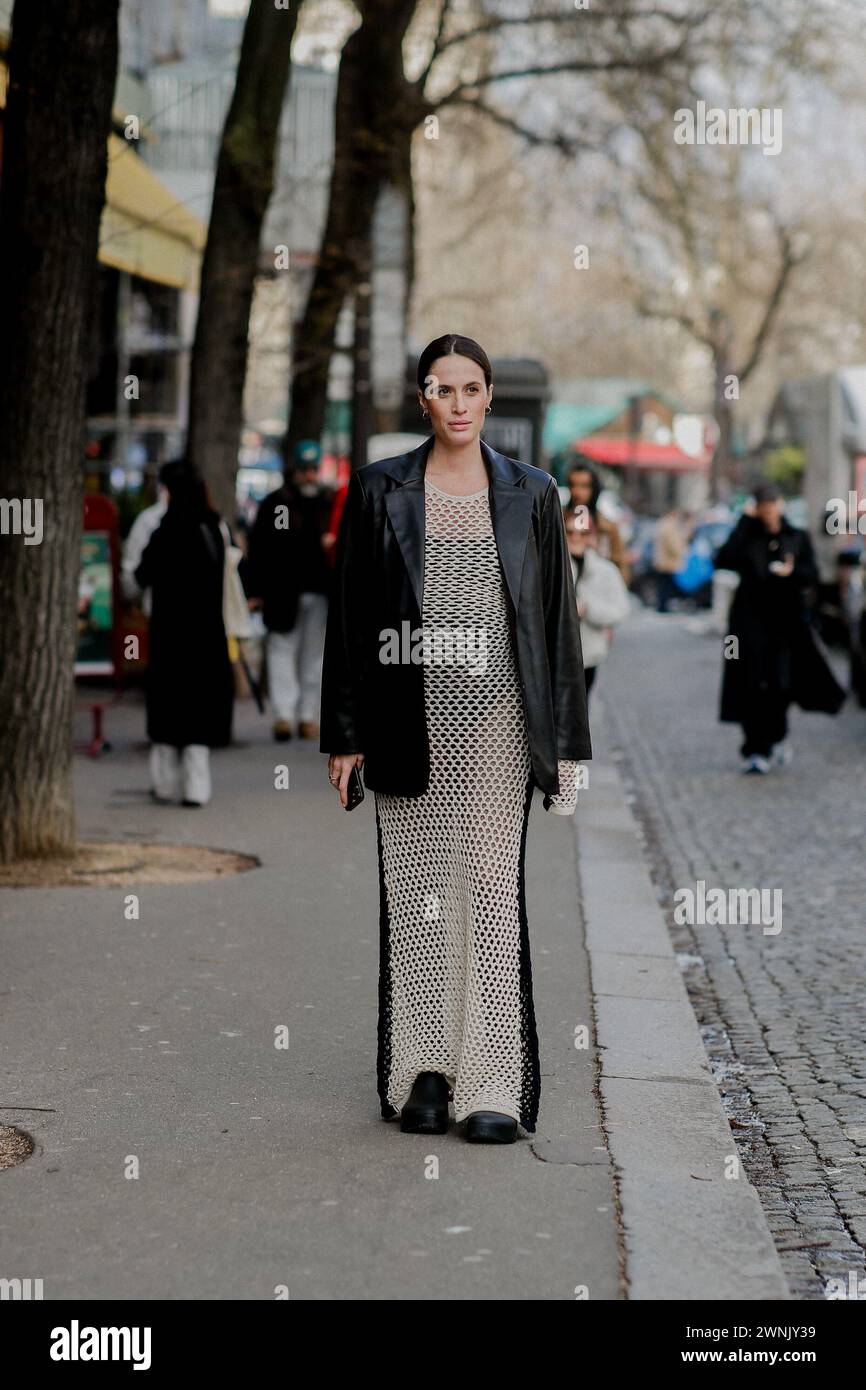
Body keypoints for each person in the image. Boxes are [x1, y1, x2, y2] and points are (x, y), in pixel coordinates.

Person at [320, 333, 591, 1145]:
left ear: (489, 396)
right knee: (419, 899)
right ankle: (425, 1073)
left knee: (488, 893)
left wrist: (567, 747)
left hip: (500, 727)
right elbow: (351, 618)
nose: (461, 404)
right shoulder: (379, 489)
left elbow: (556, 627)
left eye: (473, 389)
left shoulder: (533, 493)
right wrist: (345, 735)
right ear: (423, 397)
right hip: (406, 712)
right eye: (445, 390)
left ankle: (493, 1077)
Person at [714, 481, 846, 775]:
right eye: (763, 506)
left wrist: (792, 571)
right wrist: (743, 522)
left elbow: (811, 573)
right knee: (747, 679)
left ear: (780, 505)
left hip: (786, 623)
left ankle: (775, 738)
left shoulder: (796, 537)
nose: (769, 511)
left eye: (773, 504)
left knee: (780, 683)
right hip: (745, 626)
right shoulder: (747, 535)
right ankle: (754, 747)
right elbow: (723, 560)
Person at [134, 462, 234, 806]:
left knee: (166, 713)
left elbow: (141, 575)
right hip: (206, 635)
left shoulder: (165, 530)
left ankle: (163, 785)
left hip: (169, 635)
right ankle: (197, 788)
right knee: (198, 715)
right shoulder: (213, 527)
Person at [246, 440, 333, 742]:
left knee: (313, 656)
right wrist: (255, 590)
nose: (309, 475)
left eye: (313, 469)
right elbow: (259, 549)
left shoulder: (328, 501)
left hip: (320, 590)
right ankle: (284, 714)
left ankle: (307, 715)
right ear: (295, 470)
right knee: (283, 651)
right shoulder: (277, 503)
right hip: (284, 591)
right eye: (305, 469)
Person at [565, 517, 631, 701]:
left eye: (582, 532)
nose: (576, 537)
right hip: (555, 654)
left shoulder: (605, 571)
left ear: (592, 536)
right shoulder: (551, 566)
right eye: (570, 532)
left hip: (588, 654)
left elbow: (620, 610)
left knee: (581, 708)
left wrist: (588, 609)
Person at [563, 461, 630, 582]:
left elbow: (620, 566)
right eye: (573, 485)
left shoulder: (607, 527)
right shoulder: (558, 521)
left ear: (594, 489)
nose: (577, 492)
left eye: (584, 486)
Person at [653, 507, 694, 612]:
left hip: (662, 561)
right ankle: (663, 606)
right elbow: (674, 545)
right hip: (667, 561)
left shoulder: (663, 524)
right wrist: (682, 552)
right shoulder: (670, 526)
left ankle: (662, 605)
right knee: (666, 585)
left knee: (663, 585)